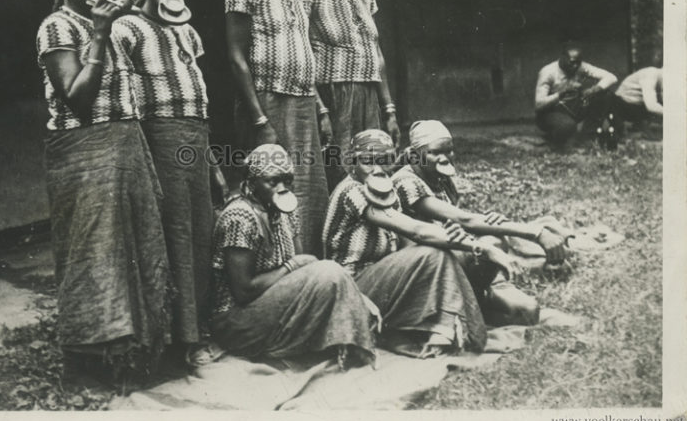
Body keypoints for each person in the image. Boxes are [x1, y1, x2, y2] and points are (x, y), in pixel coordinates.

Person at [36, 0, 172, 379]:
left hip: (125, 144)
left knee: (140, 245)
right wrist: (97, 31)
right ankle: (88, 361)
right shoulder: (57, 27)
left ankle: (137, 353)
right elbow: (76, 98)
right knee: (94, 254)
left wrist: (107, 28)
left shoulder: (115, 28)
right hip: (83, 151)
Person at [322, 130, 527, 358]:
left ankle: (449, 324)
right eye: (368, 162)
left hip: (380, 281)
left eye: (385, 161)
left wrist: (449, 238)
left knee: (436, 253)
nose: (378, 169)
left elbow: (408, 245)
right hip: (352, 290)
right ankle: (452, 326)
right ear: (352, 161)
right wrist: (481, 247)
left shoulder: (385, 190)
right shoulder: (352, 191)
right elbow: (417, 231)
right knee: (432, 254)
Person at [114, 0, 224, 364]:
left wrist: (212, 162)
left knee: (202, 228)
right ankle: (184, 338)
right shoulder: (127, 28)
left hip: (195, 136)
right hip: (160, 137)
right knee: (175, 231)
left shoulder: (186, 30)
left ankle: (202, 325)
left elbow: (198, 101)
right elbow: (130, 100)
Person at [210, 144, 376, 368]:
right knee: (328, 271)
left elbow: (306, 269)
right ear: (251, 184)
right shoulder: (239, 216)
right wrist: (290, 267)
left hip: (269, 306)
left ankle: (344, 344)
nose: (282, 188)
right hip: (237, 321)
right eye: (272, 181)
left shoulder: (285, 210)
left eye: (287, 181)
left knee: (328, 274)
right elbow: (243, 291)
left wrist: (354, 296)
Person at [392, 120, 573, 325]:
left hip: (450, 249)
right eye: (435, 152)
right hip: (427, 264)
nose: (445, 158)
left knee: (529, 310)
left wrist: (490, 221)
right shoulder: (405, 182)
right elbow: (464, 220)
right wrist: (536, 232)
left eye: (449, 151)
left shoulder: (439, 177)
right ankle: (468, 301)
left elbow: (457, 218)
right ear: (415, 155)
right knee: (493, 244)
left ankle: (476, 296)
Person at [225, 0, 330, 257]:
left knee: (310, 194)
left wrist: (320, 107)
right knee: (274, 190)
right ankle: (280, 274)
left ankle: (313, 271)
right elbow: (237, 57)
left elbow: (304, 51)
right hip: (267, 103)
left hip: (302, 104)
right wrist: (259, 120)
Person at [303, 0, 400, 190]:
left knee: (374, 165)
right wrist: (320, 110)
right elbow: (305, 54)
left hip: (368, 94)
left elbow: (375, 51)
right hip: (333, 95)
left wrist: (389, 109)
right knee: (341, 172)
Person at [535, 42, 618, 147]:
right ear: (562, 58)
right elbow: (538, 105)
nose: (575, 66)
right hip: (550, 112)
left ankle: (587, 136)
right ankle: (554, 139)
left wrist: (593, 90)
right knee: (567, 126)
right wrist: (561, 93)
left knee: (605, 95)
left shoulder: (580, 66)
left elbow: (611, 77)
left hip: (572, 108)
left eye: (578, 63)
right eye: (572, 62)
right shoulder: (548, 72)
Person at [612, 66, 663, 136]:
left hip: (634, 105)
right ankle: (639, 125)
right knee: (654, 103)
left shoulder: (659, 77)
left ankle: (638, 125)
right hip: (622, 104)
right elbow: (651, 106)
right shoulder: (650, 74)